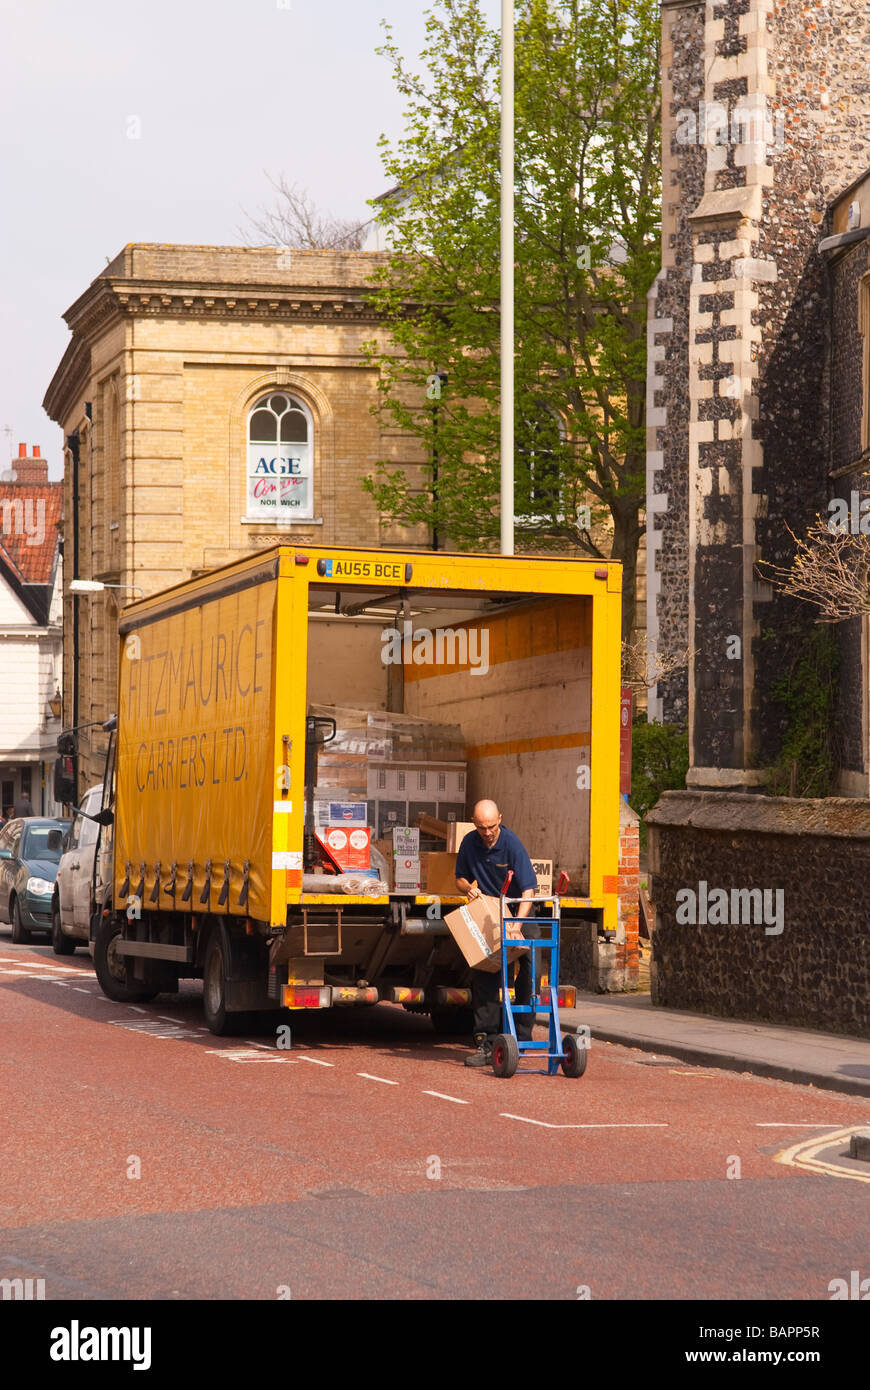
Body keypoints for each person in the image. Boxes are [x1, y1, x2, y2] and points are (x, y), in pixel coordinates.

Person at [455, 799, 538, 1067]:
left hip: (518, 909)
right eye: (481, 828)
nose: (487, 833)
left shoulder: (512, 844)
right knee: (486, 970)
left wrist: (516, 926)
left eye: (491, 826)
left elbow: (529, 891)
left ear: (499, 819)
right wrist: (468, 887)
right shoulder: (469, 842)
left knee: (532, 963)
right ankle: (486, 1042)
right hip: (490, 908)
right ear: (474, 824)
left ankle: (523, 1035)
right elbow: (459, 878)